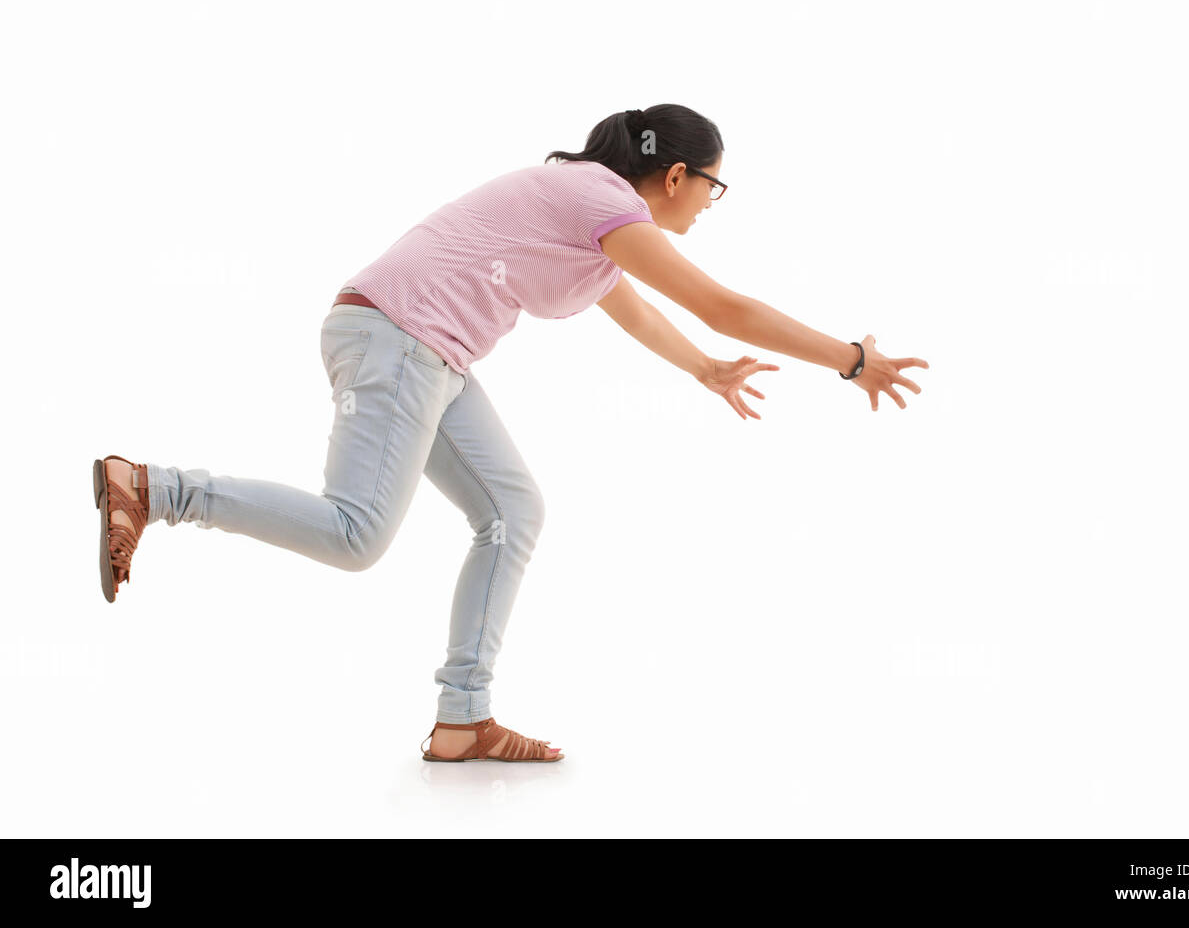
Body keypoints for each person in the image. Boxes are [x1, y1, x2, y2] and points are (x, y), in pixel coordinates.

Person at [92, 103, 929, 764]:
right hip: (399, 339)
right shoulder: (601, 200)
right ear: (675, 175)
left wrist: (703, 370)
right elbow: (724, 304)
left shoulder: (595, 220)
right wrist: (850, 358)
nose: (712, 203)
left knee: (513, 512)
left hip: (426, 351)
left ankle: (462, 719)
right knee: (354, 535)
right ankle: (156, 487)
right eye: (713, 187)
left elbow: (632, 309)